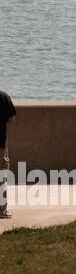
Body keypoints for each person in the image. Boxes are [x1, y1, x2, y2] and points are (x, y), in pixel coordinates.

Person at [0, 88, 14, 218]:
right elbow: (11, 119)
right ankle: (1, 210)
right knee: (1, 179)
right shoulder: (3, 97)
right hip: (0, 144)